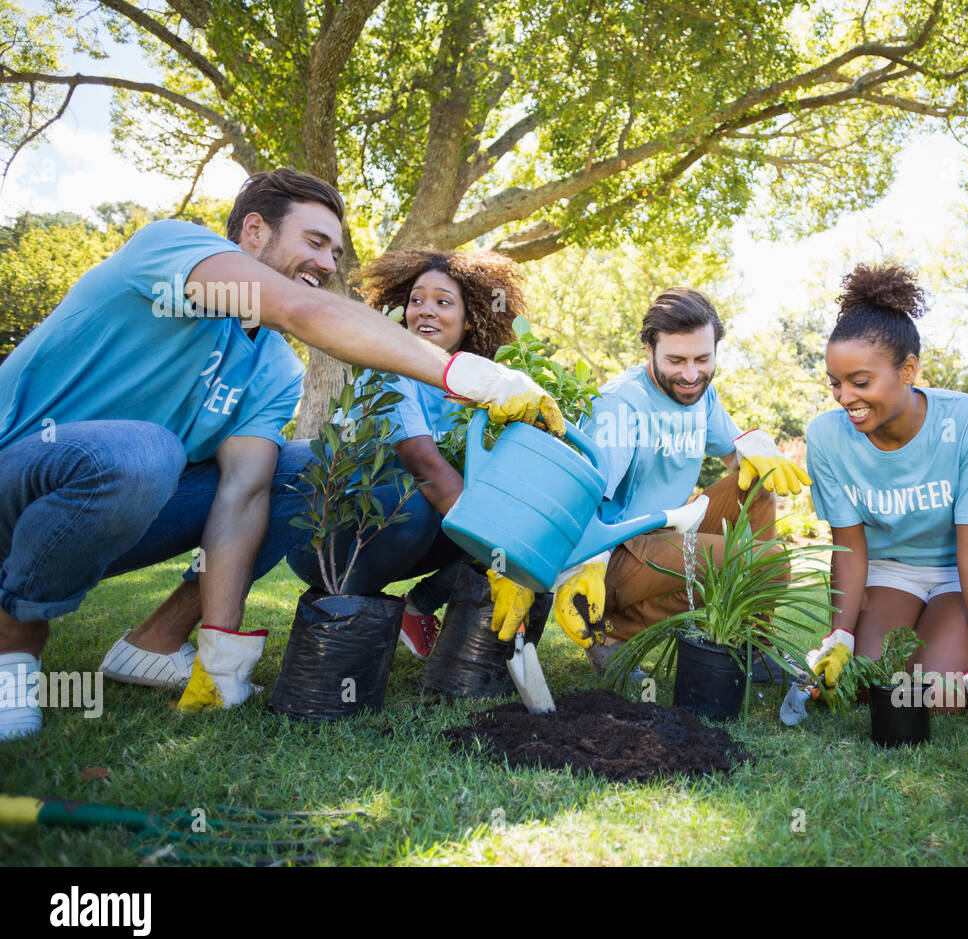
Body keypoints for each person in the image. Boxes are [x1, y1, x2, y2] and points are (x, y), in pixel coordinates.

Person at [0, 168, 561, 739]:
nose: (327, 263)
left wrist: (221, 649)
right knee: (147, 450)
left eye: (335, 252)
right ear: (252, 231)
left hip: (113, 507)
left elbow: (243, 498)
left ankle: (156, 642)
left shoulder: (272, 368)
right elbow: (302, 310)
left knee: (299, 467)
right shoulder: (171, 249)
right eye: (315, 242)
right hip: (17, 480)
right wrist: (467, 376)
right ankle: (13, 648)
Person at [801, 263, 968, 732]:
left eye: (860, 382)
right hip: (892, 570)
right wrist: (840, 637)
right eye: (835, 383)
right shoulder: (827, 437)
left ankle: (966, 663)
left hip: (963, 571)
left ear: (908, 370)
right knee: (866, 682)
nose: (845, 397)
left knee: (933, 695)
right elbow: (848, 545)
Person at [518, 287, 812, 677]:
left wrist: (760, 451)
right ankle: (609, 631)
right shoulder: (621, 405)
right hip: (610, 553)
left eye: (702, 359)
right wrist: (581, 570)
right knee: (767, 562)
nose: (691, 374)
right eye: (676, 360)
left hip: (666, 533)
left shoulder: (700, 395)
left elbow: (736, 455)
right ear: (649, 350)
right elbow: (583, 499)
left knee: (756, 484)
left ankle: (748, 646)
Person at [286, 248, 523, 656]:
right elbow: (423, 464)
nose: (425, 311)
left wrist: (515, 549)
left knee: (500, 507)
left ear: (471, 319)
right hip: (334, 538)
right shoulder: (386, 366)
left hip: (411, 533)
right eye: (416, 300)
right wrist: (500, 545)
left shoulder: (474, 389)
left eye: (443, 302)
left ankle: (419, 608)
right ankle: (347, 609)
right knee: (421, 499)